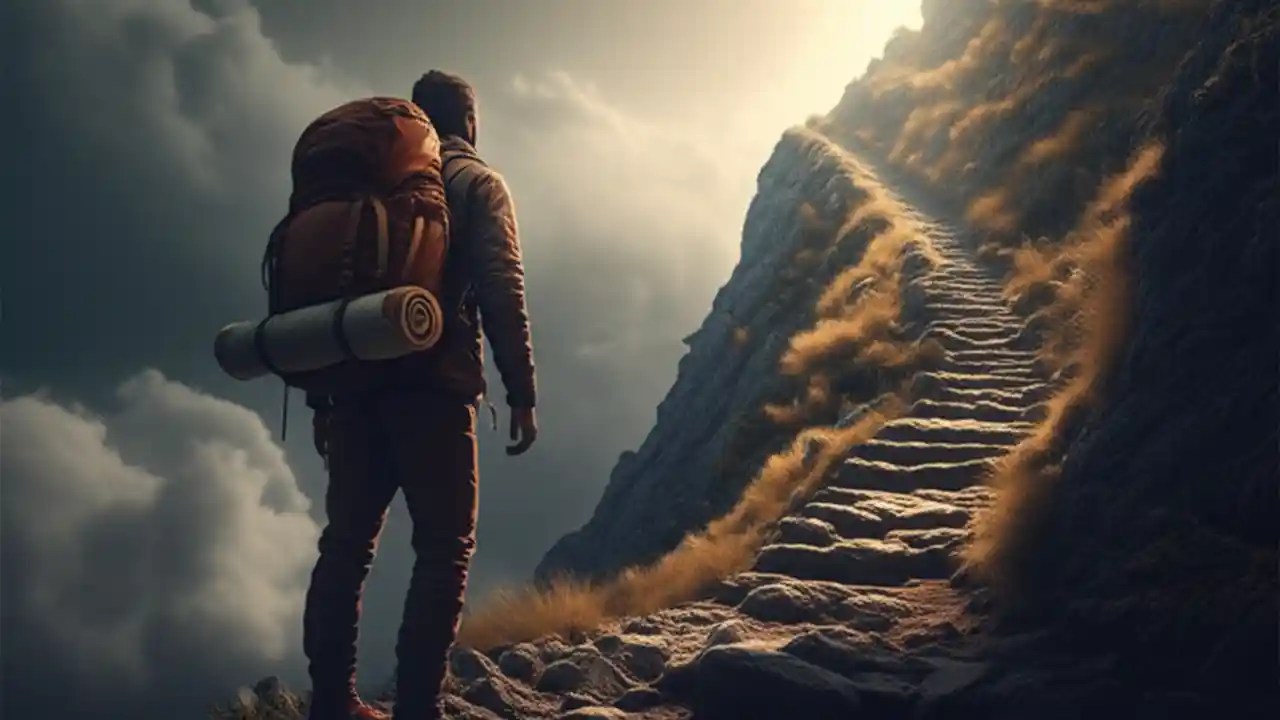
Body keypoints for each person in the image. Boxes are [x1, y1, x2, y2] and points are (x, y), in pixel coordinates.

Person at [302, 69, 539, 720]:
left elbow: (331, 293)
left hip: (351, 384)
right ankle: (418, 708)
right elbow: (501, 287)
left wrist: (324, 399)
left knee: (345, 546)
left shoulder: (366, 186)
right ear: (470, 122)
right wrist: (521, 391)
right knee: (442, 548)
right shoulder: (477, 183)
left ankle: (332, 703)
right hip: (433, 391)